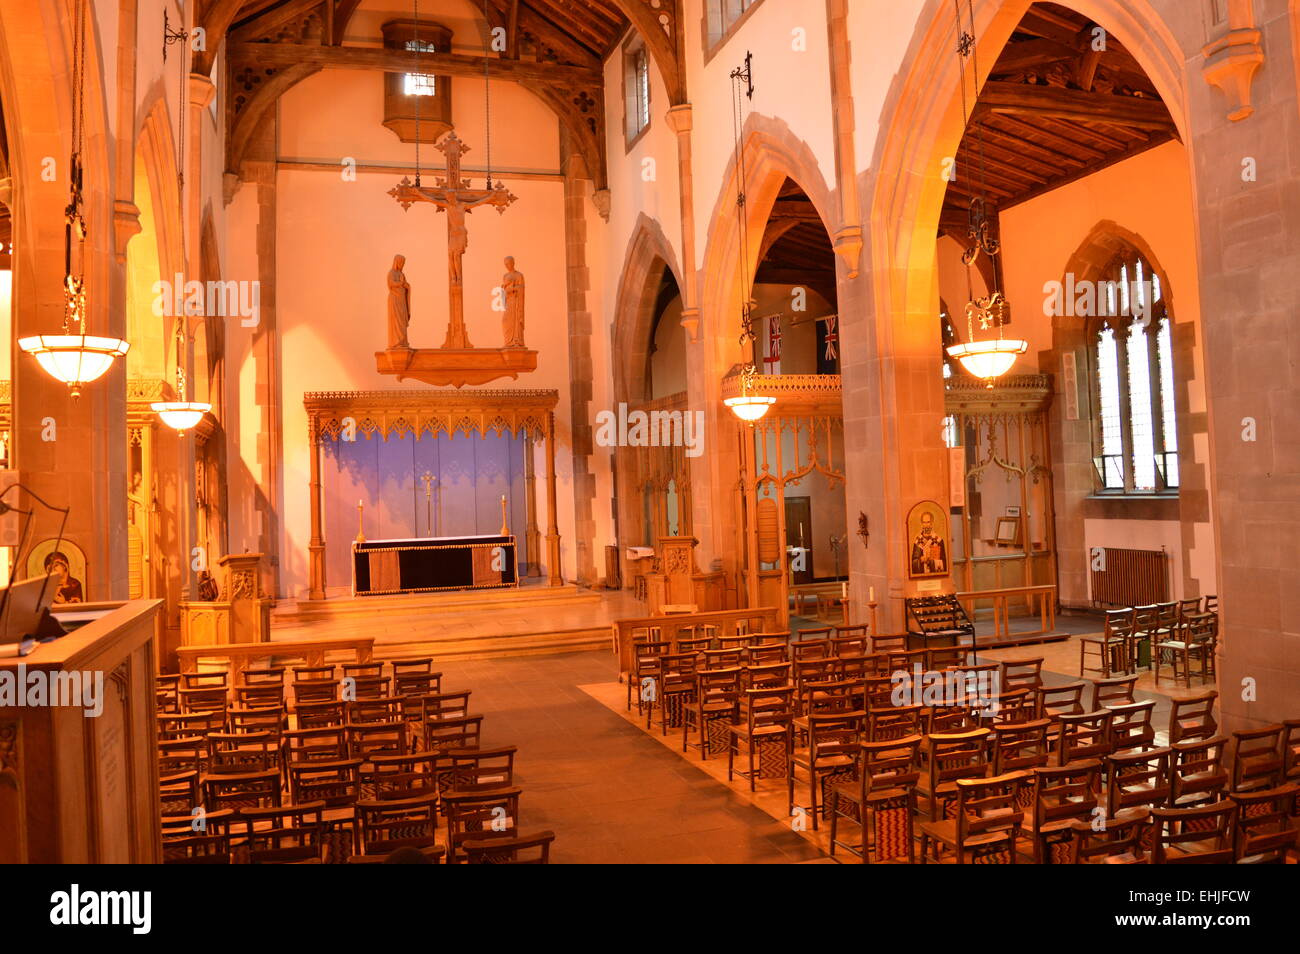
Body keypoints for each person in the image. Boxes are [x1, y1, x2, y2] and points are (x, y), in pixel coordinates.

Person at [909, 511, 947, 575]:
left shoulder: (938, 540)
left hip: (935, 576)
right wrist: (921, 560)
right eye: (924, 522)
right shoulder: (918, 541)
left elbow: (944, 562)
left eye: (928, 522)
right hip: (921, 576)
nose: (926, 525)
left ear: (932, 523)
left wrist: (931, 561)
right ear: (922, 523)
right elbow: (913, 563)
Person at [387, 254, 411, 349]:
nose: (402, 265)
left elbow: (405, 285)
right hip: (394, 300)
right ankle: (396, 342)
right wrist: (400, 283)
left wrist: (407, 286)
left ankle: (402, 341)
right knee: (396, 321)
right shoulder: (391, 273)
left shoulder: (402, 274)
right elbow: (391, 283)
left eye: (403, 263)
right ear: (397, 262)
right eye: (401, 263)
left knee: (401, 321)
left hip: (401, 301)